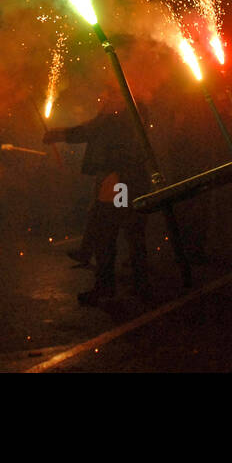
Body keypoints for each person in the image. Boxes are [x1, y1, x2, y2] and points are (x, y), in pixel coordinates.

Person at [47, 88, 151, 305]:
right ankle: (139, 285)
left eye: (106, 94)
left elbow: (91, 131)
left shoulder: (121, 115)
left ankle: (110, 287)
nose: (102, 98)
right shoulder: (124, 113)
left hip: (118, 182)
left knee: (108, 233)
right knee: (127, 232)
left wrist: (59, 134)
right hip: (122, 179)